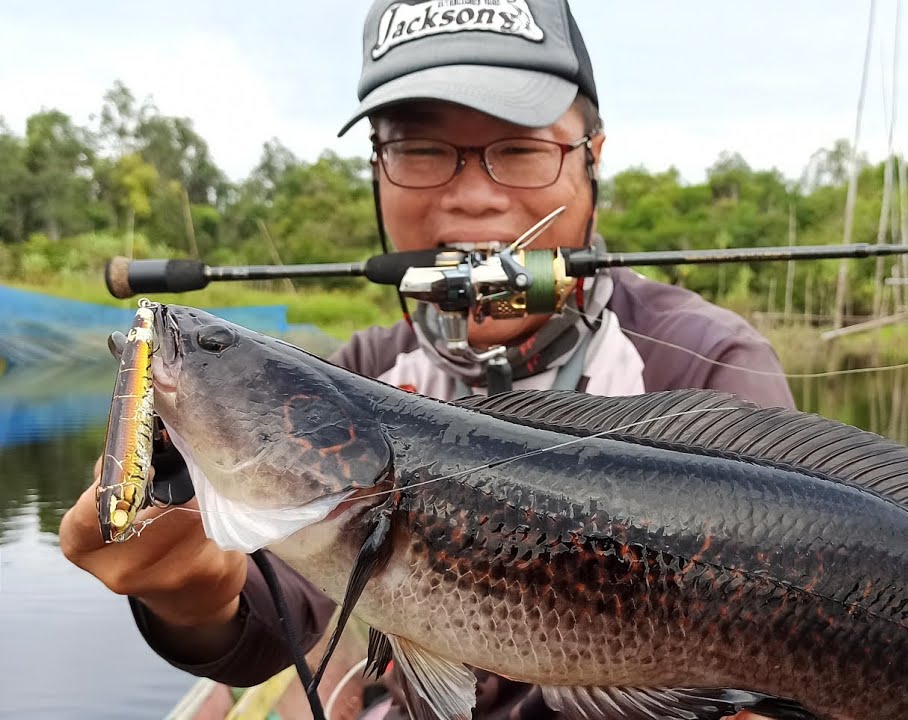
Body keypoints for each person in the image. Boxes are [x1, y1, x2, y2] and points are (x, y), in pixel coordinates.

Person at [59, 0, 795, 717]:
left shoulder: (708, 364)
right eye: (419, 148)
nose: (473, 195)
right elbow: (276, 622)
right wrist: (190, 590)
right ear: (377, 167)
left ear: (592, 160)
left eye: (521, 148)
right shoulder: (362, 373)